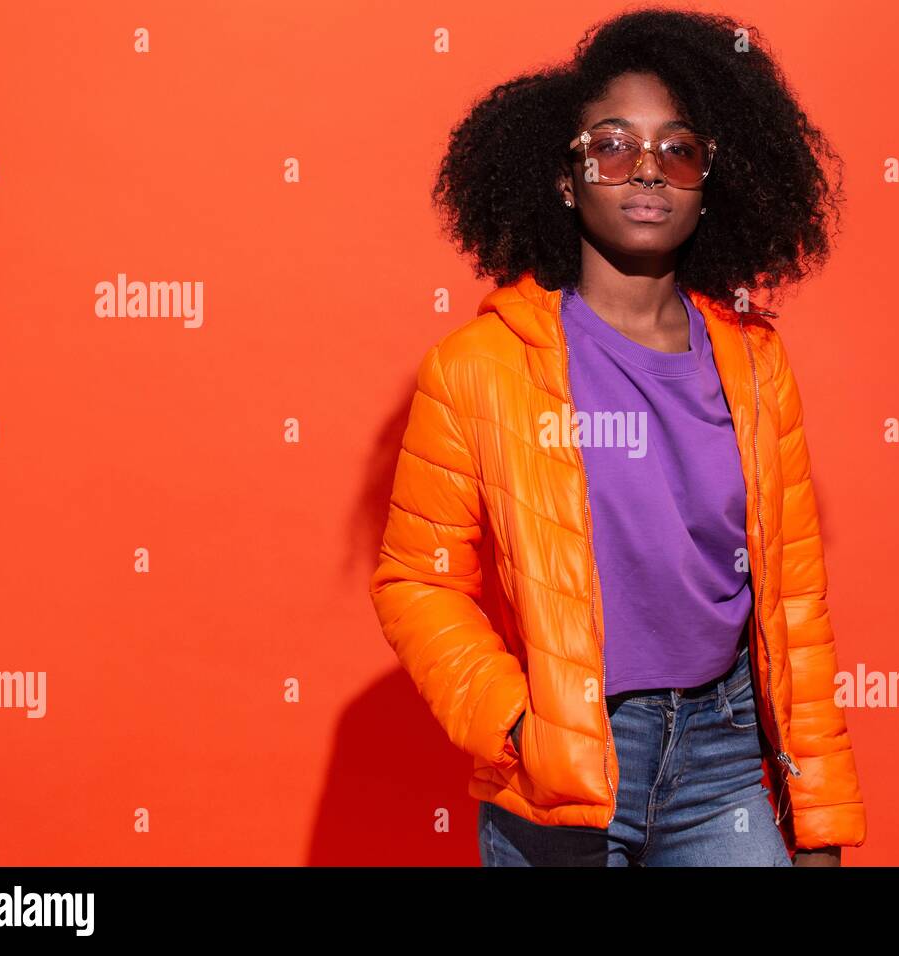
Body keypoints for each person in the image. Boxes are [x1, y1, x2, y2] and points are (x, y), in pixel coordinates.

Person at [370, 8, 865, 866]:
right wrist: (517, 724)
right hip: (565, 766)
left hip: (724, 755)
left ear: (709, 181)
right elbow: (417, 579)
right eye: (611, 145)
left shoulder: (754, 364)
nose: (645, 170)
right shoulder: (479, 367)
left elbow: (793, 605)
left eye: (677, 150)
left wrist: (815, 815)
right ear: (567, 177)